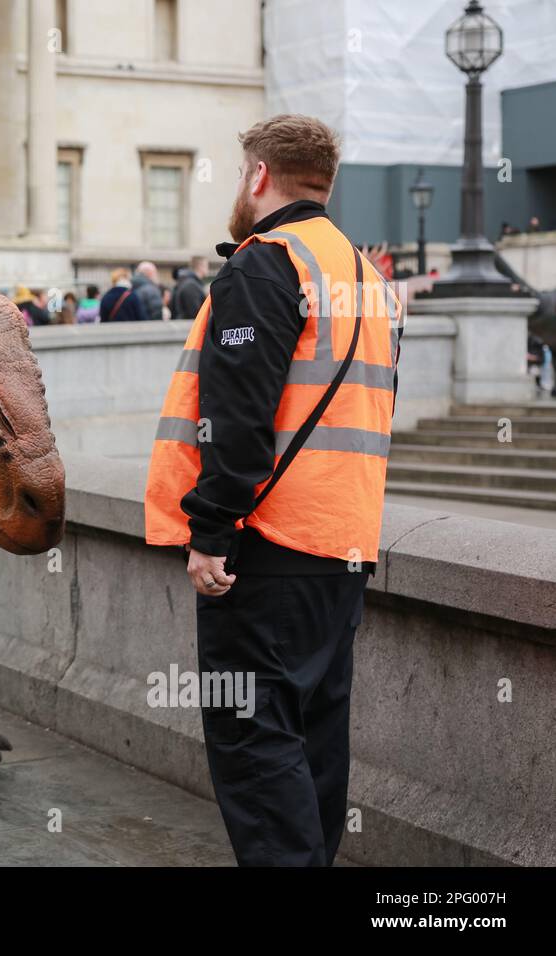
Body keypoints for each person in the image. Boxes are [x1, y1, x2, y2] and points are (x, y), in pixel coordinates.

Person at [144, 114, 401, 866]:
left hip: (267, 548)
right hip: (342, 542)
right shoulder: (365, 276)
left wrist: (212, 529)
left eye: (238, 174)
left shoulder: (265, 264)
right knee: (315, 746)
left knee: (255, 748)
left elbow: (238, 418)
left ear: (259, 176)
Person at [172, 255, 209, 321]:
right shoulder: (191, 285)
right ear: (200, 267)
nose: (208, 269)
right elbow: (195, 313)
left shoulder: (191, 283)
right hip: (189, 327)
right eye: (207, 266)